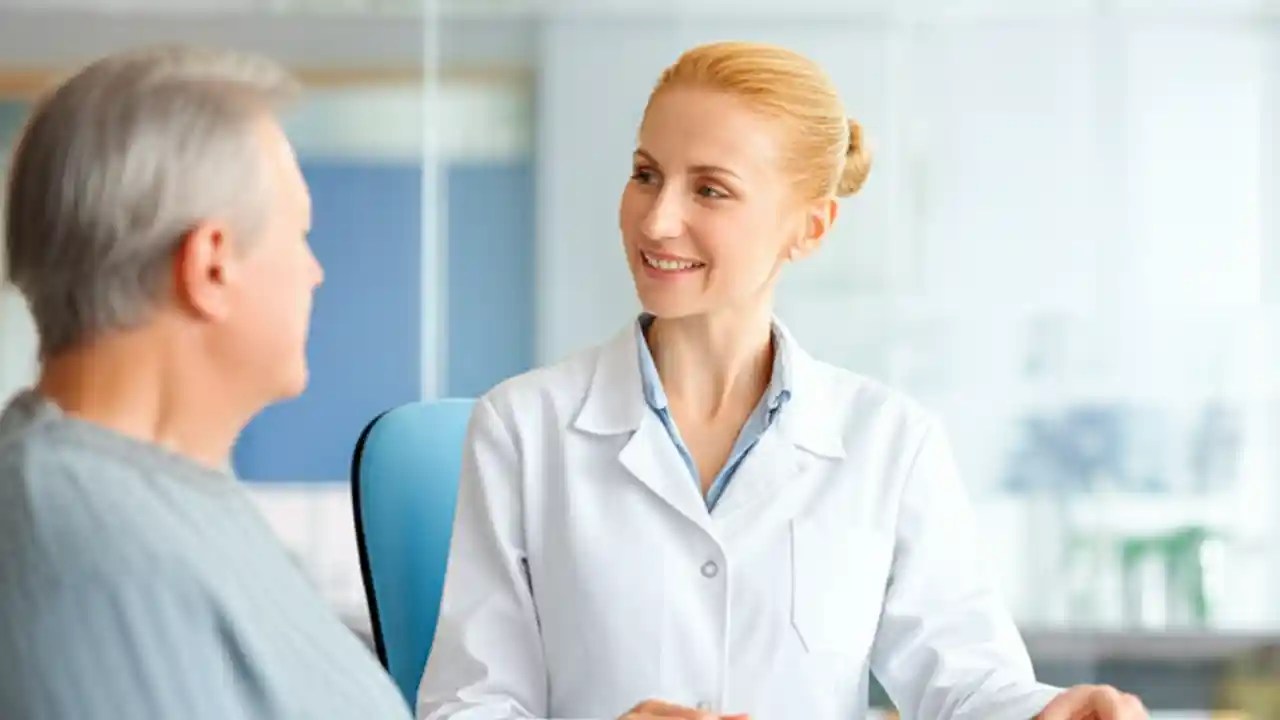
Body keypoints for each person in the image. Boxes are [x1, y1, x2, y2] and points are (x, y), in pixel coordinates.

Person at [417, 41, 1147, 720]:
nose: (658, 219)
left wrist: (1044, 713)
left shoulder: (888, 443)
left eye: (710, 190)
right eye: (646, 175)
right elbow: (467, 705)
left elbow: (966, 683)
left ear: (811, 228)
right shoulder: (521, 428)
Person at [0, 46, 411, 720]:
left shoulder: (173, 500)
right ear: (212, 265)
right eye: (301, 234)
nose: (316, 272)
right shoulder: (68, 536)